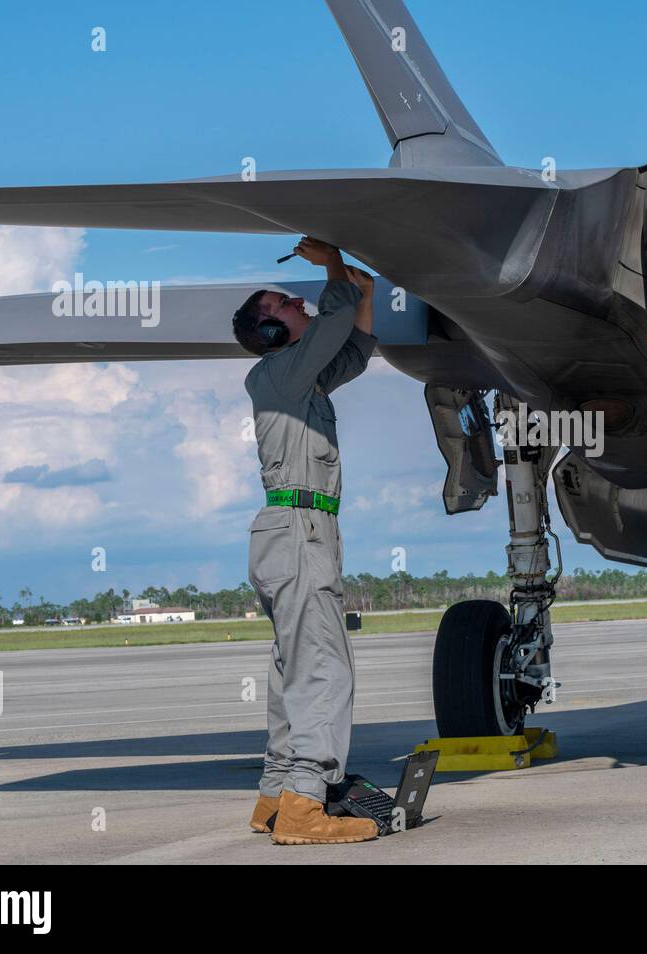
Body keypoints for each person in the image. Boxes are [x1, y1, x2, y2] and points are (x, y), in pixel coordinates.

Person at [232, 235, 379, 845]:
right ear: (270, 333)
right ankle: (304, 806)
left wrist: (361, 289)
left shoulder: (301, 383)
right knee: (322, 670)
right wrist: (334, 266)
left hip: (300, 531)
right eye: (287, 303)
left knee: (292, 668)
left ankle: (274, 795)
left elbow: (358, 346)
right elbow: (339, 315)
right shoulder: (279, 374)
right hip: (300, 532)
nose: (301, 302)